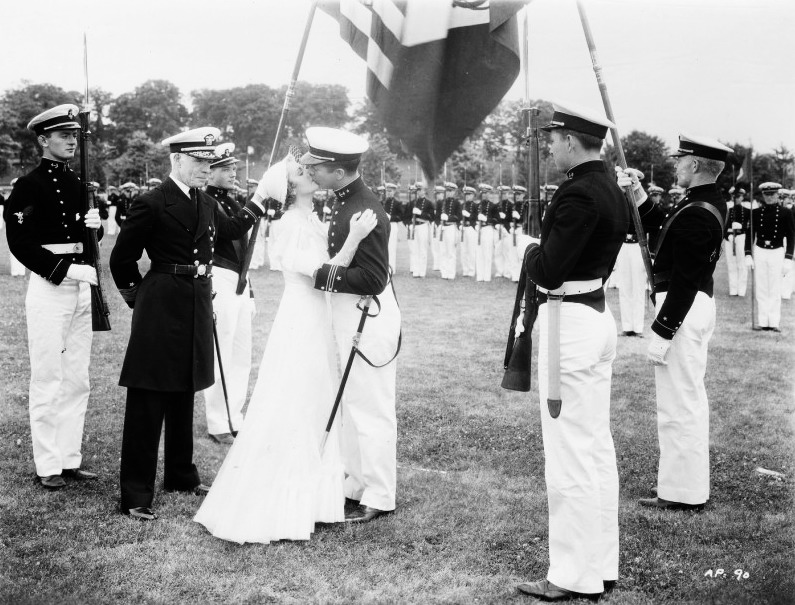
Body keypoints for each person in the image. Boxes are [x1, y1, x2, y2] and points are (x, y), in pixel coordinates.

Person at [194, 154, 378, 543]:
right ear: (290, 188)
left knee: (315, 401)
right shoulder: (290, 223)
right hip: (303, 319)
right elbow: (321, 276)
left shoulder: (312, 217)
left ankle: (314, 495)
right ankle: (288, 499)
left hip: (318, 318)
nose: (309, 172)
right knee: (299, 400)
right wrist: (356, 239)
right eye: (300, 172)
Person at [109, 127, 265, 521]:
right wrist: (138, 299)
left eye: (208, 162)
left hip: (197, 298)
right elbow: (121, 260)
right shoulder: (152, 202)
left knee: (185, 389)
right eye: (198, 161)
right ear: (177, 160)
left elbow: (229, 232)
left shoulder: (205, 201)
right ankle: (136, 493)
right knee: (149, 397)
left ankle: (181, 475)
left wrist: (260, 203)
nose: (204, 168)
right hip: (161, 300)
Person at [516, 103, 627, 601]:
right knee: (595, 449)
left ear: (574, 141)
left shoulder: (579, 192)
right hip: (595, 316)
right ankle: (599, 564)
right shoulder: (610, 185)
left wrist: (529, 249)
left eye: (555, 139)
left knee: (570, 456)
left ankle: (571, 574)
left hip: (572, 323)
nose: (550, 146)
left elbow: (549, 270)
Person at [620, 134, 731, 513]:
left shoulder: (699, 211)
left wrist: (663, 330)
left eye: (681, 160)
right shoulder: (700, 203)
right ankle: (683, 487)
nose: (676, 165)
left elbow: (685, 277)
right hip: (689, 306)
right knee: (683, 401)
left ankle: (683, 493)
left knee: (679, 404)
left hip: (682, 308)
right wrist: (637, 193)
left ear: (696, 165)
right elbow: (661, 225)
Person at [302, 126, 401, 523]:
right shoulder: (346, 201)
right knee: (351, 404)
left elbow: (375, 278)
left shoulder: (366, 209)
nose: (312, 174)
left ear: (339, 172)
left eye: (319, 168)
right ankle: (357, 483)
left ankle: (380, 493)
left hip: (367, 316)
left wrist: (319, 274)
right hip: (350, 314)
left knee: (371, 406)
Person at [4, 104, 103, 489]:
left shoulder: (80, 184)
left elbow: (86, 239)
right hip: (50, 286)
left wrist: (94, 226)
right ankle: (47, 464)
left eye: (75, 136)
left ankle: (69, 457)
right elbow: (20, 242)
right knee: (48, 376)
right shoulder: (28, 186)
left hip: (82, 284)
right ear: (43, 140)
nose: (72, 142)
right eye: (64, 136)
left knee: (78, 378)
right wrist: (63, 270)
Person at [200, 143, 255, 445]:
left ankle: (235, 415)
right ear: (210, 171)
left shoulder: (232, 202)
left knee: (241, 354)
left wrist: (251, 291)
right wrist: (258, 203)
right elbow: (232, 231)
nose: (234, 173)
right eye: (226, 168)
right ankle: (218, 420)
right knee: (222, 352)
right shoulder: (206, 201)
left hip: (239, 282)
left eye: (234, 167)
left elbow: (243, 248)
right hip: (219, 279)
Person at [744, 182, 794, 330]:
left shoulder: (786, 213)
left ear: (778, 195)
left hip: (777, 252)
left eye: (772, 194)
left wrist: (788, 259)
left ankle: (774, 322)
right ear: (763, 196)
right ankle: (762, 321)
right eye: (767, 194)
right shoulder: (756, 213)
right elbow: (749, 236)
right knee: (761, 287)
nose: (770, 197)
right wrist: (748, 254)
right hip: (760, 251)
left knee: (774, 287)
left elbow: (791, 237)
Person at [615, 192, 649, 337]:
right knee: (624, 287)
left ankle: (638, 327)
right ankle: (627, 326)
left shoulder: (642, 203)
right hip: (623, 246)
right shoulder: (619, 203)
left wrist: (651, 255)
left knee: (638, 288)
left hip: (637, 245)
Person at [724, 186, 750, 296]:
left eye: (738, 196)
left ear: (742, 197)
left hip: (741, 238)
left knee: (742, 264)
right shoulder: (729, 210)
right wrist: (728, 235)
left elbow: (749, 228)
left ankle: (741, 289)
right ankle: (733, 289)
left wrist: (741, 228)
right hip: (730, 239)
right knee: (731, 264)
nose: (736, 199)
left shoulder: (748, 211)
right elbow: (724, 227)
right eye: (734, 196)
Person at [404, 182, 433, 278]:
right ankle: (416, 270)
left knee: (422, 249)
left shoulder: (428, 203)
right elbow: (406, 216)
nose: (418, 192)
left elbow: (431, 216)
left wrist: (421, 213)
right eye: (417, 190)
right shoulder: (412, 203)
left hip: (422, 226)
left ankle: (422, 271)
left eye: (420, 190)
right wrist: (409, 224)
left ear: (424, 191)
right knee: (415, 249)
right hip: (414, 227)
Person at [437, 181, 461, 280]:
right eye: (447, 191)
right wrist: (439, 224)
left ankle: (451, 273)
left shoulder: (457, 203)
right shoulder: (441, 202)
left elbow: (458, 217)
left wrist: (448, 218)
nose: (448, 193)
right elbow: (437, 216)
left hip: (451, 227)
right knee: (443, 251)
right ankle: (444, 272)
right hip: (443, 228)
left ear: (454, 192)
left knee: (451, 251)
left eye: (451, 191)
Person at [475, 183, 497, 282]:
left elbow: (496, 219)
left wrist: (486, 219)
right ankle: (480, 275)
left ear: (489, 194)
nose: (484, 195)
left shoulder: (493, 206)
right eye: (483, 193)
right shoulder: (477, 205)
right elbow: (471, 217)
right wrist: (474, 224)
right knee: (479, 253)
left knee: (487, 253)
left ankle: (487, 276)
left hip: (488, 229)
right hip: (479, 229)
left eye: (486, 193)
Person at [382, 182, 402, 272]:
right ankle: (384, 267)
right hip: (383, 226)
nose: (388, 193)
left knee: (392, 247)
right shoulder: (383, 202)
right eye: (387, 191)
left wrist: (391, 217)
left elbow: (401, 216)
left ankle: (391, 268)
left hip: (393, 225)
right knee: (383, 247)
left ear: (394, 192)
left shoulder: (397, 203)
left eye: (390, 191)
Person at [460, 185, 478, 277]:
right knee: (464, 250)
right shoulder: (462, 205)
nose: (467, 196)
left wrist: (468, 215)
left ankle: (471, 270)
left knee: (471, 250)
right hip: (463, 228)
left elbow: (476, 217)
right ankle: (465, 270)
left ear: (473, 195)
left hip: (471, 228)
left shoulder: (475, 206)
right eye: (466, 194)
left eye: (469, 194)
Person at [430, 185, 444, 272]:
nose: (438, 195)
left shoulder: (443, 203)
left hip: (441, 225)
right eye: (437, 194)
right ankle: (436, 264)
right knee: (434, 245)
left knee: (441, 245)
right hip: (434, 225)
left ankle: (441, 264)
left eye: (439, 193)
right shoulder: (434, 203)